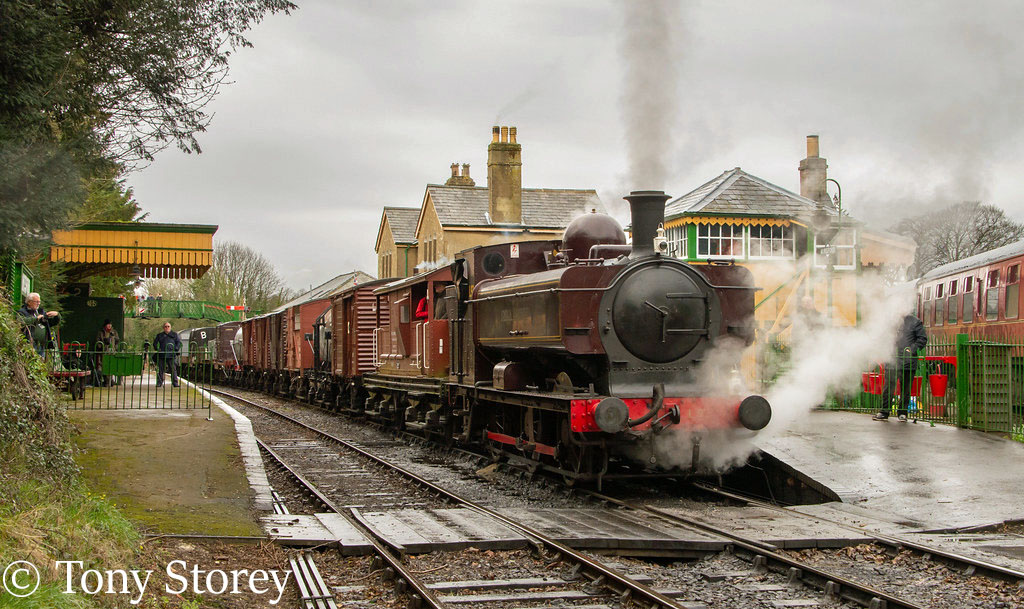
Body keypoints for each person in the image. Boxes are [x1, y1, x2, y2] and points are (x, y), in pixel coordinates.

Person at [875, 313, 928, 422]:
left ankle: (902, 412)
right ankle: (885, 411)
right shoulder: (890, 321)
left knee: (906, 389)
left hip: (908, 362)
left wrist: (911, 349)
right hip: (892, 360)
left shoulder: (915, 322)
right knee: (888, 388)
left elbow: (922, 339)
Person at [17, 293, 60, 357]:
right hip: (29, 344)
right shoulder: (22, 312)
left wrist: (57, 315)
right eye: (36, 301)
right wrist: (36, 319)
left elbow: (51, 323)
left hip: (41, 345)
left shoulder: (40, 312)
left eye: (39, 301)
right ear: (29, 302)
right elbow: (21, 321)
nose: (38, 303)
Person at [153, 322, 182, 387]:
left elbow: (178, 343)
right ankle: (159, 382)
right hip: (162, 354)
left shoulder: (174, 335)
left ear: (170, 327)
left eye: (168, 326)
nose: (167, 328)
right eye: (165, 326)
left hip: (171, 354)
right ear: (163, 328)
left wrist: (176, 349)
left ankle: (175, 383)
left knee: (173, 369)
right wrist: (158, 349)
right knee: (161, 369)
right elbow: (155, 343)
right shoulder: (159, 335)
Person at [94, 319, 120, 386]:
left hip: (112, 353)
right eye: (108, 324)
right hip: (103, 353)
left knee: (111, 368)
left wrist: (116, 348)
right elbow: (98, 342)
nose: (109, 326)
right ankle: (104, 381)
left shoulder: (114, 332)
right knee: (102, 368)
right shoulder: (101, 333)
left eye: (110, 324)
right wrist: (102, 345)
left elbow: (117, 341)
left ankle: (109, 381)